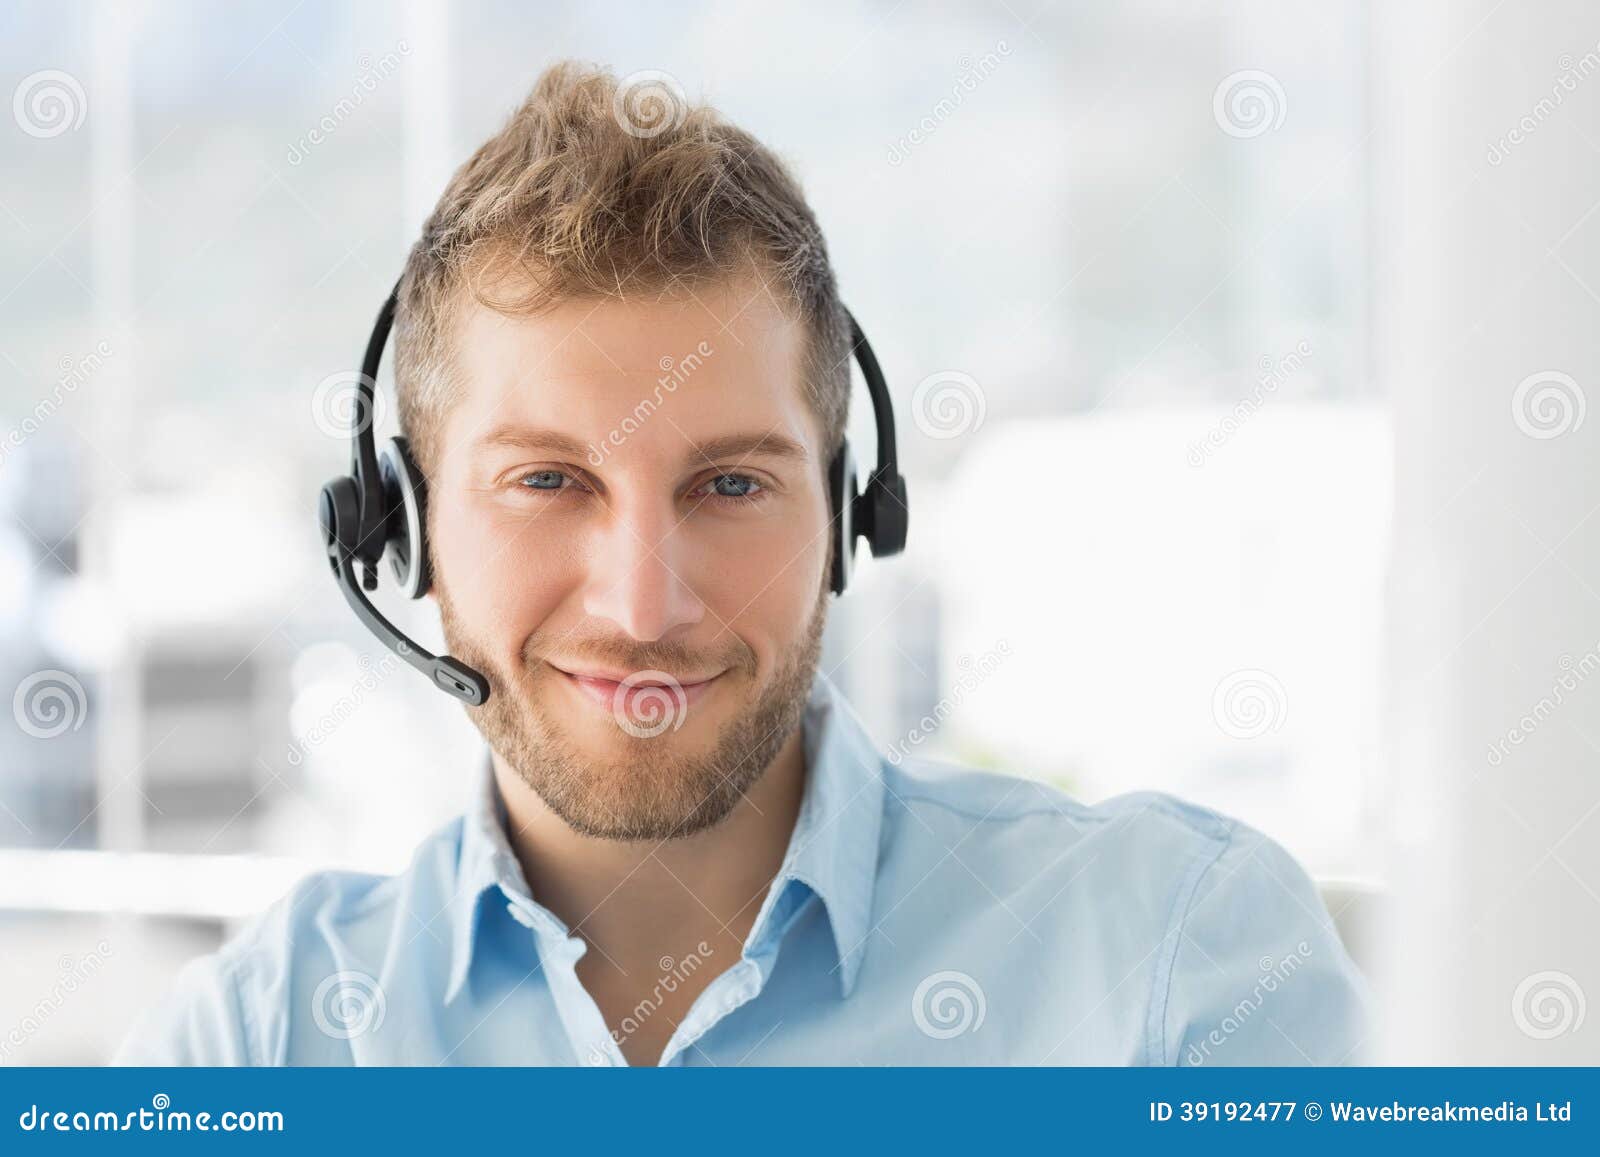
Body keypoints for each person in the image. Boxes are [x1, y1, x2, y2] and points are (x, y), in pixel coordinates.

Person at [114, 61, 1367, 1067]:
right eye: (548, 482)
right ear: (403, 523)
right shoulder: (254, 1045)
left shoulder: (1173, 960)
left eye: (729, 485)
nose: (642, 603)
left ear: (846, 512)